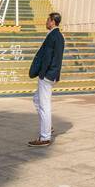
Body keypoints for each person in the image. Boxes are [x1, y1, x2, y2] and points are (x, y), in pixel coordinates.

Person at [28, 12, 65, 147]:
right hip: (52, 74)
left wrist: (42, 73)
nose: (46, 22)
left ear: (53, 22)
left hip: (47, 75)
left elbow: (47, 57)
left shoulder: (53, 36)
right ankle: (47, 127)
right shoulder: (59, 36)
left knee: (44, 105)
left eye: (48, 20)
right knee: (37, 100)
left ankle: (45, 137)